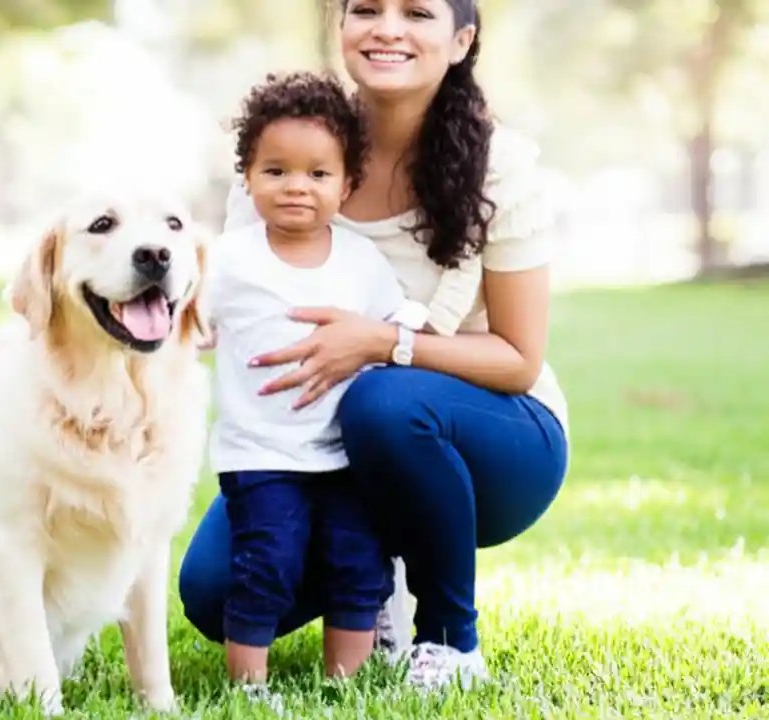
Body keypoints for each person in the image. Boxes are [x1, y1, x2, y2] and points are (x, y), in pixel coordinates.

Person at [179, 0, 570, 691]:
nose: (387, 27)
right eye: (366, 8)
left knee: (383, 402)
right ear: (342, 27)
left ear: (461, 41)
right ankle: (369, 581)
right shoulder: (290, 149)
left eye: (418, 12)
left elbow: (517, 358)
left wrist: (382, 343)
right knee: (215, 592)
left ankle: (450, 639)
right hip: (308, 449)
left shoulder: (500, 166)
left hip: (494, 438)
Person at [203, 70, 425, 687]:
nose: (296, 187)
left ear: (347, 184)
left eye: (318, 174)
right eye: (276, 171)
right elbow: (187, 322)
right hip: (261, 455)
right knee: (266, 563)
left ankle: (343, 685)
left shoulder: (362, 261)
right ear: (246, 177)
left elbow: (393, 324)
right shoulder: (227, 260)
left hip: (345, 454)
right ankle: (250, 687)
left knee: (358, 563)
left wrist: (415, 325)